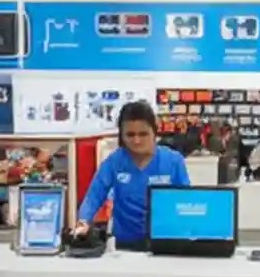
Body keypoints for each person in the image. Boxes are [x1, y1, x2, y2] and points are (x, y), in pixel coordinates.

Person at [76, 101, 190, 249]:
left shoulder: (174, 161)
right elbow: (94, 196)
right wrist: (83, 222)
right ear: (121, 135)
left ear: (154, 132)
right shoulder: (114, 161)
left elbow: (186, 201)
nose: (136, 141)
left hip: (165, 242)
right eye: (130, 135)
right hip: (124, 245)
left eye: (143, 134)